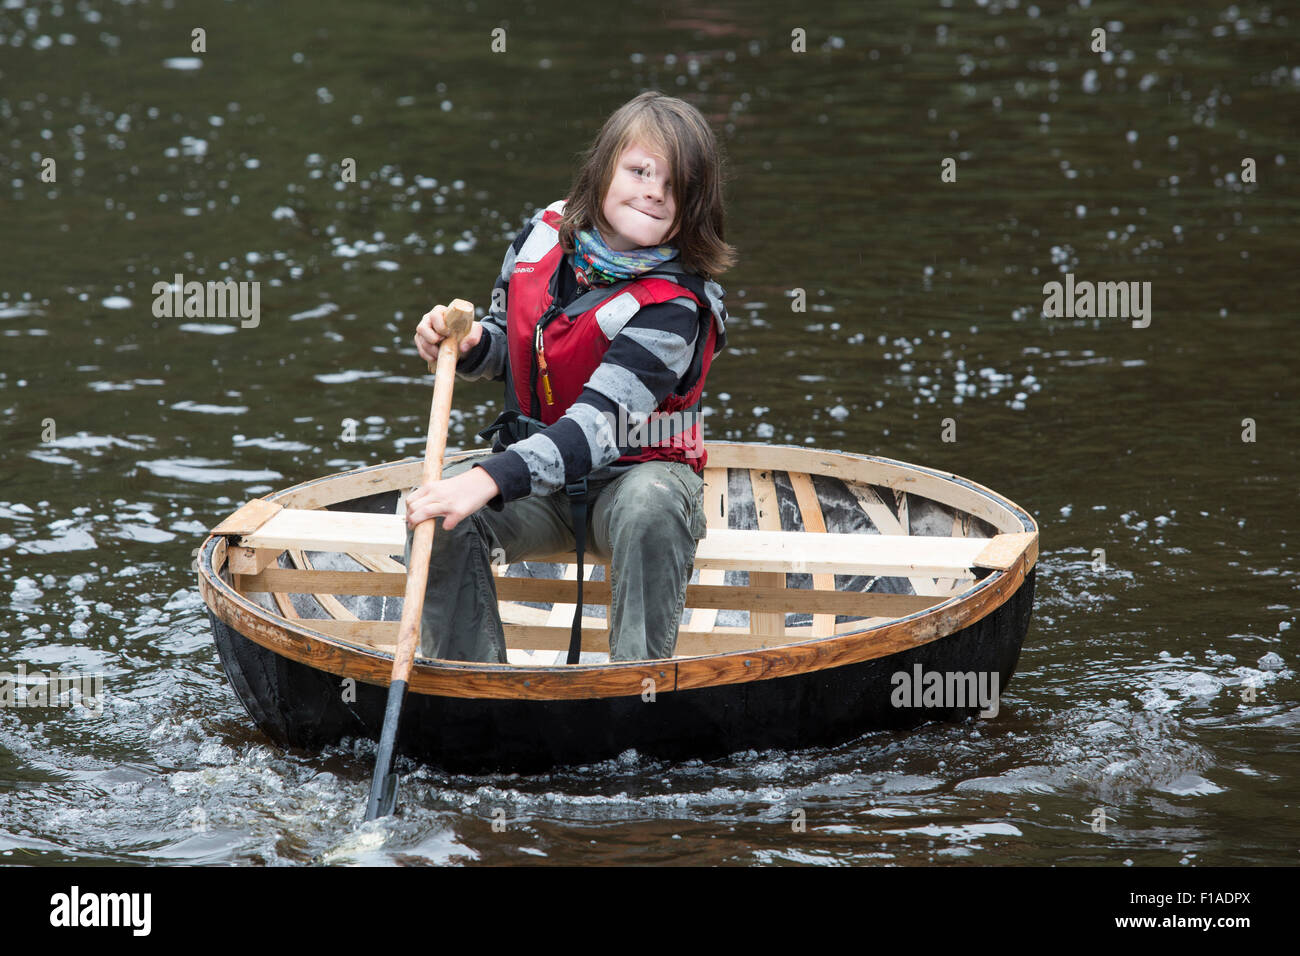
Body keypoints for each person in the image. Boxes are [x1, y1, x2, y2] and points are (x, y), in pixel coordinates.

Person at [405, 90, 735, 664]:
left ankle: (635, 693)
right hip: (542, 484)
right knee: (437, 516)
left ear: (692, 209)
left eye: (675, 187)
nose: (654, 191)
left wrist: (486, 479)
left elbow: (596, 428)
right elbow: (521, 349)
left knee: (652, 507)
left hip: (632, 482)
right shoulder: (541, 237)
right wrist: (473, 343)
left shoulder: (675, 309)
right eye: (639, 171)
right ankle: (475, 690)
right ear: (603, 170)